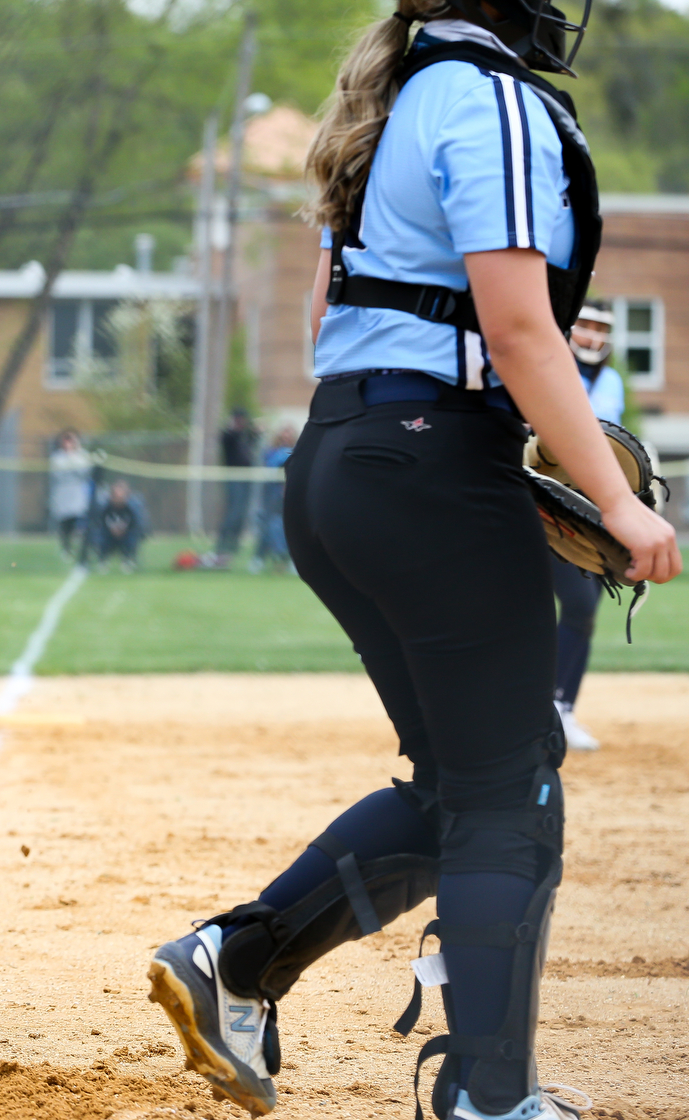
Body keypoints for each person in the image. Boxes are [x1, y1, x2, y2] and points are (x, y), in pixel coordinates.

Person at [146, 5, 680, 1120]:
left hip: (341, 459)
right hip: (429, 466)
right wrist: (621, 503)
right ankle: (491, 1095)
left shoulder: (392, 106)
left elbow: (327, 318)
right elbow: (519, 331)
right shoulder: (489, 101)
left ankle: (235, 962)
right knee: (509, 790)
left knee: (462, 784)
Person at [551, 301, 624, 751]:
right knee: (573, 601)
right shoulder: (550, 366)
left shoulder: (612, 380)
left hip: (594, 508)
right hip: (548, 502)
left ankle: (562, 708)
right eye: (585, 325)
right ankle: (541, 707)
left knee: (585, 610)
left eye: (601, 328)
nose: (592, 336)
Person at [212, 407, 259, 567]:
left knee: (241, 515)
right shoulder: (229, 435)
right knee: (232, 514)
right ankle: (221, 547)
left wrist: (255, 432)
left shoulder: (246, 436)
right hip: (234, 479)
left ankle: (233, 547)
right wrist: (233, 426)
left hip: (246, 479)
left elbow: (253, 444)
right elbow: (228, 438)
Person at [248, 424, 296, 574]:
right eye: (283, 432)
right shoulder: (271, 452)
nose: (285, 436)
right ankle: (259, 559)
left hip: (291, 497)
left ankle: (293, 562)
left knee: (292, 530)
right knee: (268, 528)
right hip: (272, 497)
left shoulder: (298, 451)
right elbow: (270, 467)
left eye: (289, 433)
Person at [48, 429, 93, 560]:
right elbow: (57, 474)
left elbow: (84, 472)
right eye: (66, 439)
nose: (68, 443)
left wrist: (73, 457)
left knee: (79, 523)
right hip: (63, 493)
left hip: (78, 493)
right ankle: (66, 549)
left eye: (71, 439)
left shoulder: (82, 455)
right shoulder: (57, 457)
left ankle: (84, 550)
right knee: (65, 524)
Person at [90, 478, 149, 572]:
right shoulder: (106, 507)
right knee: (99, 536)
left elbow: (136, 524)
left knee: (132, 538)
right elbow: (99, 522)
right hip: (109, 534)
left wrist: (123, 530)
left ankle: (128, 559)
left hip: (125, 535)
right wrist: (112, 530)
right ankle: (102, 560)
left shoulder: (131, 508)